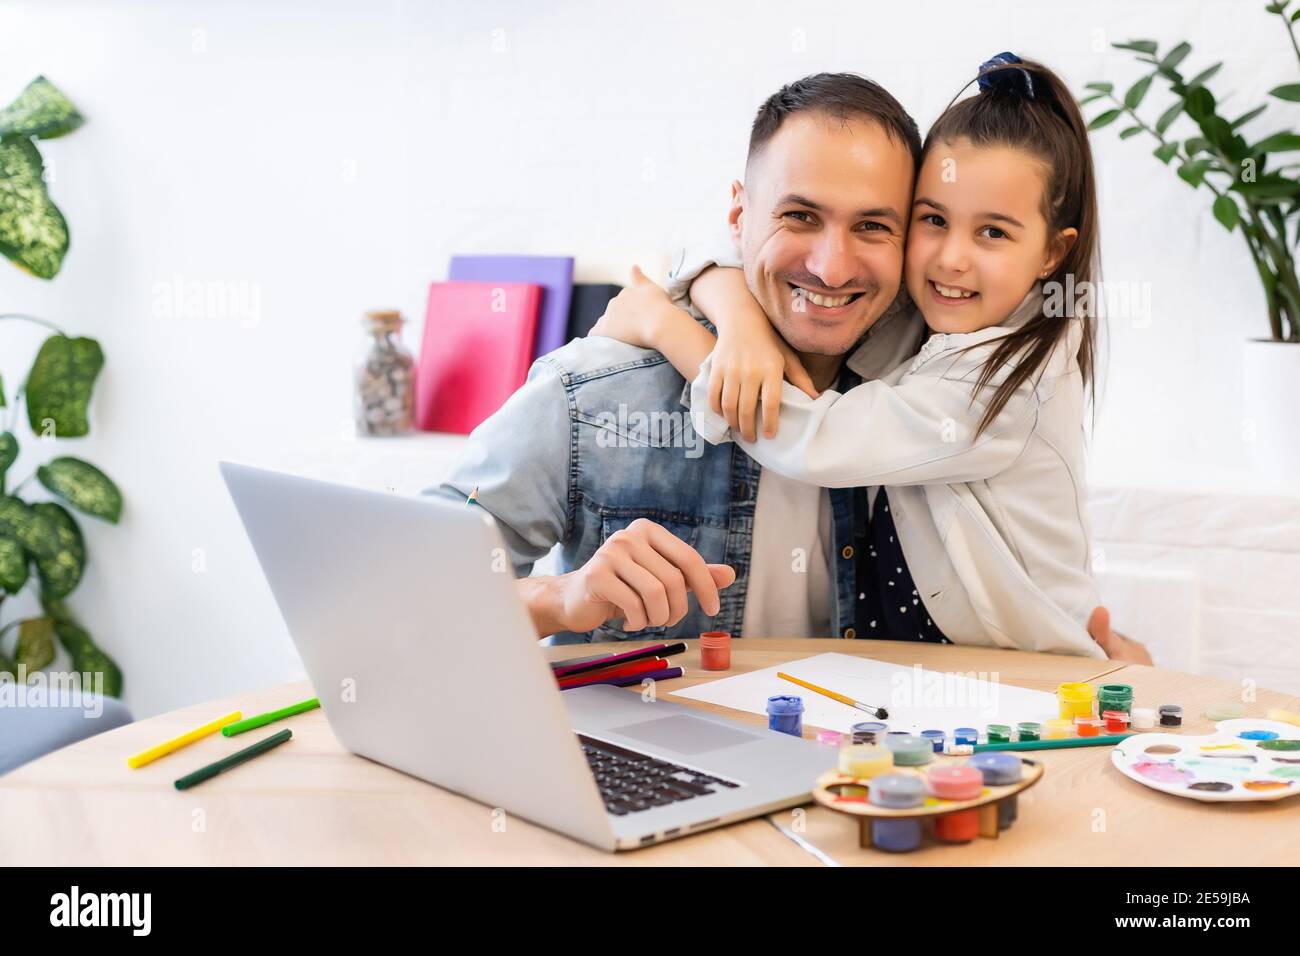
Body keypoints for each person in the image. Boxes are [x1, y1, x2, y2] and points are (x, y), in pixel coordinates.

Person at [591, 54, 1152, 662]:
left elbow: (817, 441)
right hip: (926, 675)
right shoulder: (929, 315)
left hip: (1027, 678)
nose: (951, 259)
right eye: (933, 219)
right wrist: (737, 318)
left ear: (1053, 253)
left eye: (993, 232)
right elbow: (739, 237)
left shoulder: (1010, 382)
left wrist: (666, 326)